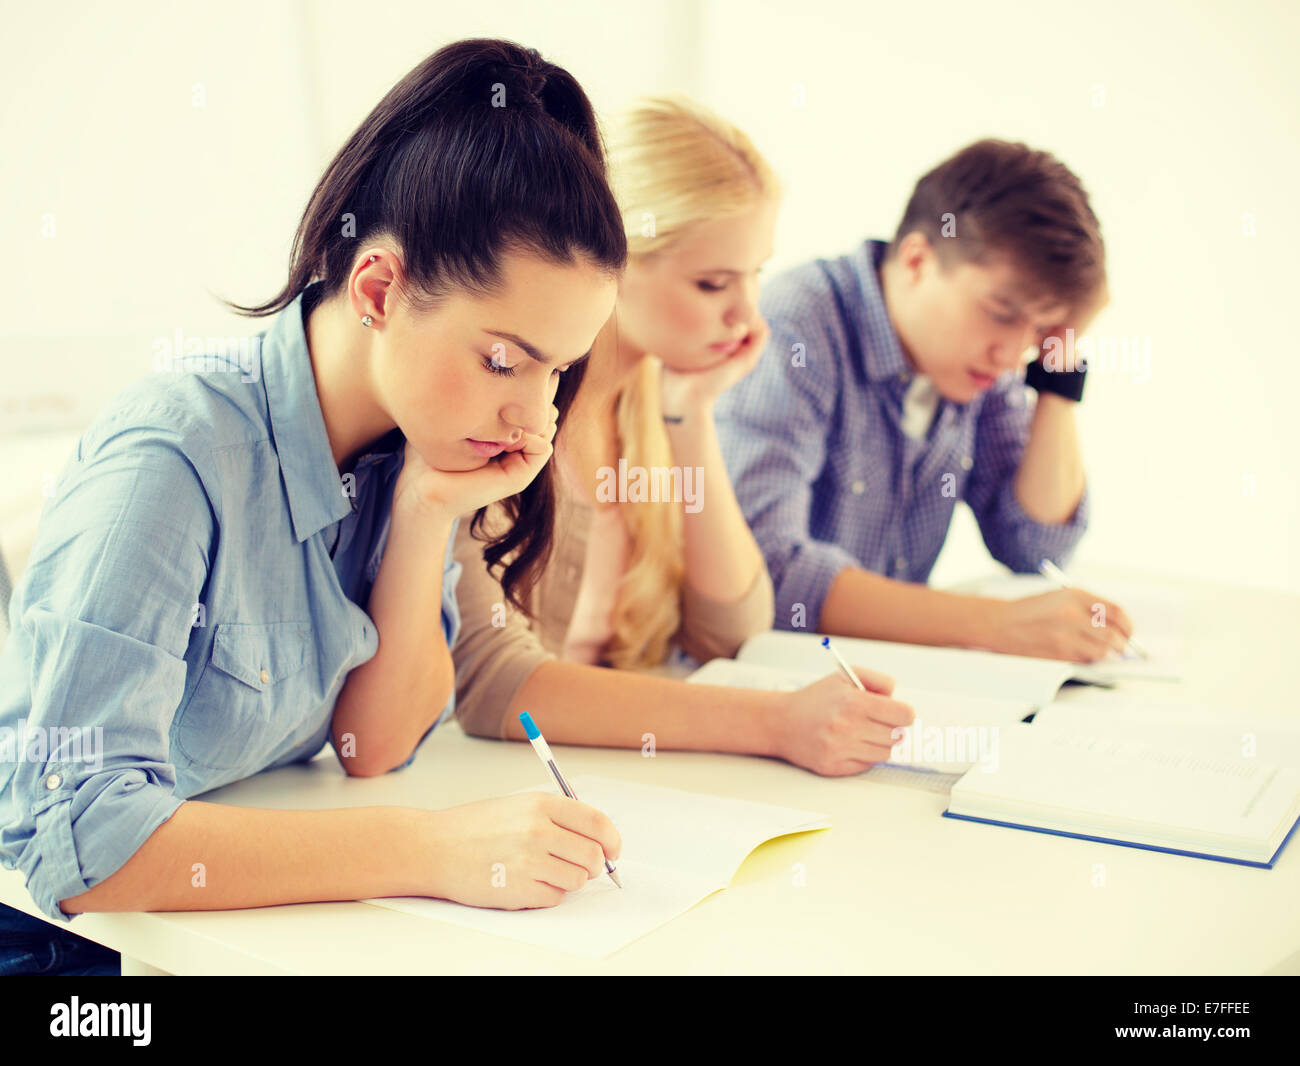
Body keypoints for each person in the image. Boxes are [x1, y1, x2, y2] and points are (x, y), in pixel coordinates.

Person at [0, 38, 627, 976]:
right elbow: (79, 834)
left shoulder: (407, 449)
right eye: (505, 360)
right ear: (378, 287)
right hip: (76, 954)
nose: (534, 418)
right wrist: (436, 850)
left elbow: (370, 746)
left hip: (230, 937)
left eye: (558, 372)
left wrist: (423, 511)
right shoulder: (173, 456)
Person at [442, 96, 915, 770]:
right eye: (713, 282)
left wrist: (691, 417)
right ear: (614, 261)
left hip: (614, 776)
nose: (748, 315)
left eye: (754, 275)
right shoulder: (498, 408)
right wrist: (777, 723)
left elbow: (729, 633)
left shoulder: (654, 406)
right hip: (484, 783)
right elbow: (492, 685)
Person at [715, 139, 1136, 663]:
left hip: (879, 685)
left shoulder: (977, 365)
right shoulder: (797, 328)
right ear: (917, 260)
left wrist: (1060, 368)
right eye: (1003, 312)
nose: (1014, 357)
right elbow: (764, 574)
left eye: (1041, 328)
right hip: (763, 686)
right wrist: (996, 625)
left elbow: (1034, 545)